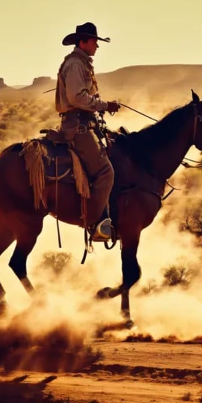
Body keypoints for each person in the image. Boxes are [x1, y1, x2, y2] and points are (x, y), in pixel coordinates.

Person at [55, 22, 121, 242]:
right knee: (105, 172)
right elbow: (77, 98)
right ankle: (96, 224)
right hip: (79, 128)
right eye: (94, 42)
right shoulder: (75, 64)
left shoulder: (81, 63)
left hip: (85, 123)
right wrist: (104, 105)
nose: (97, 46)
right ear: (83, 42)